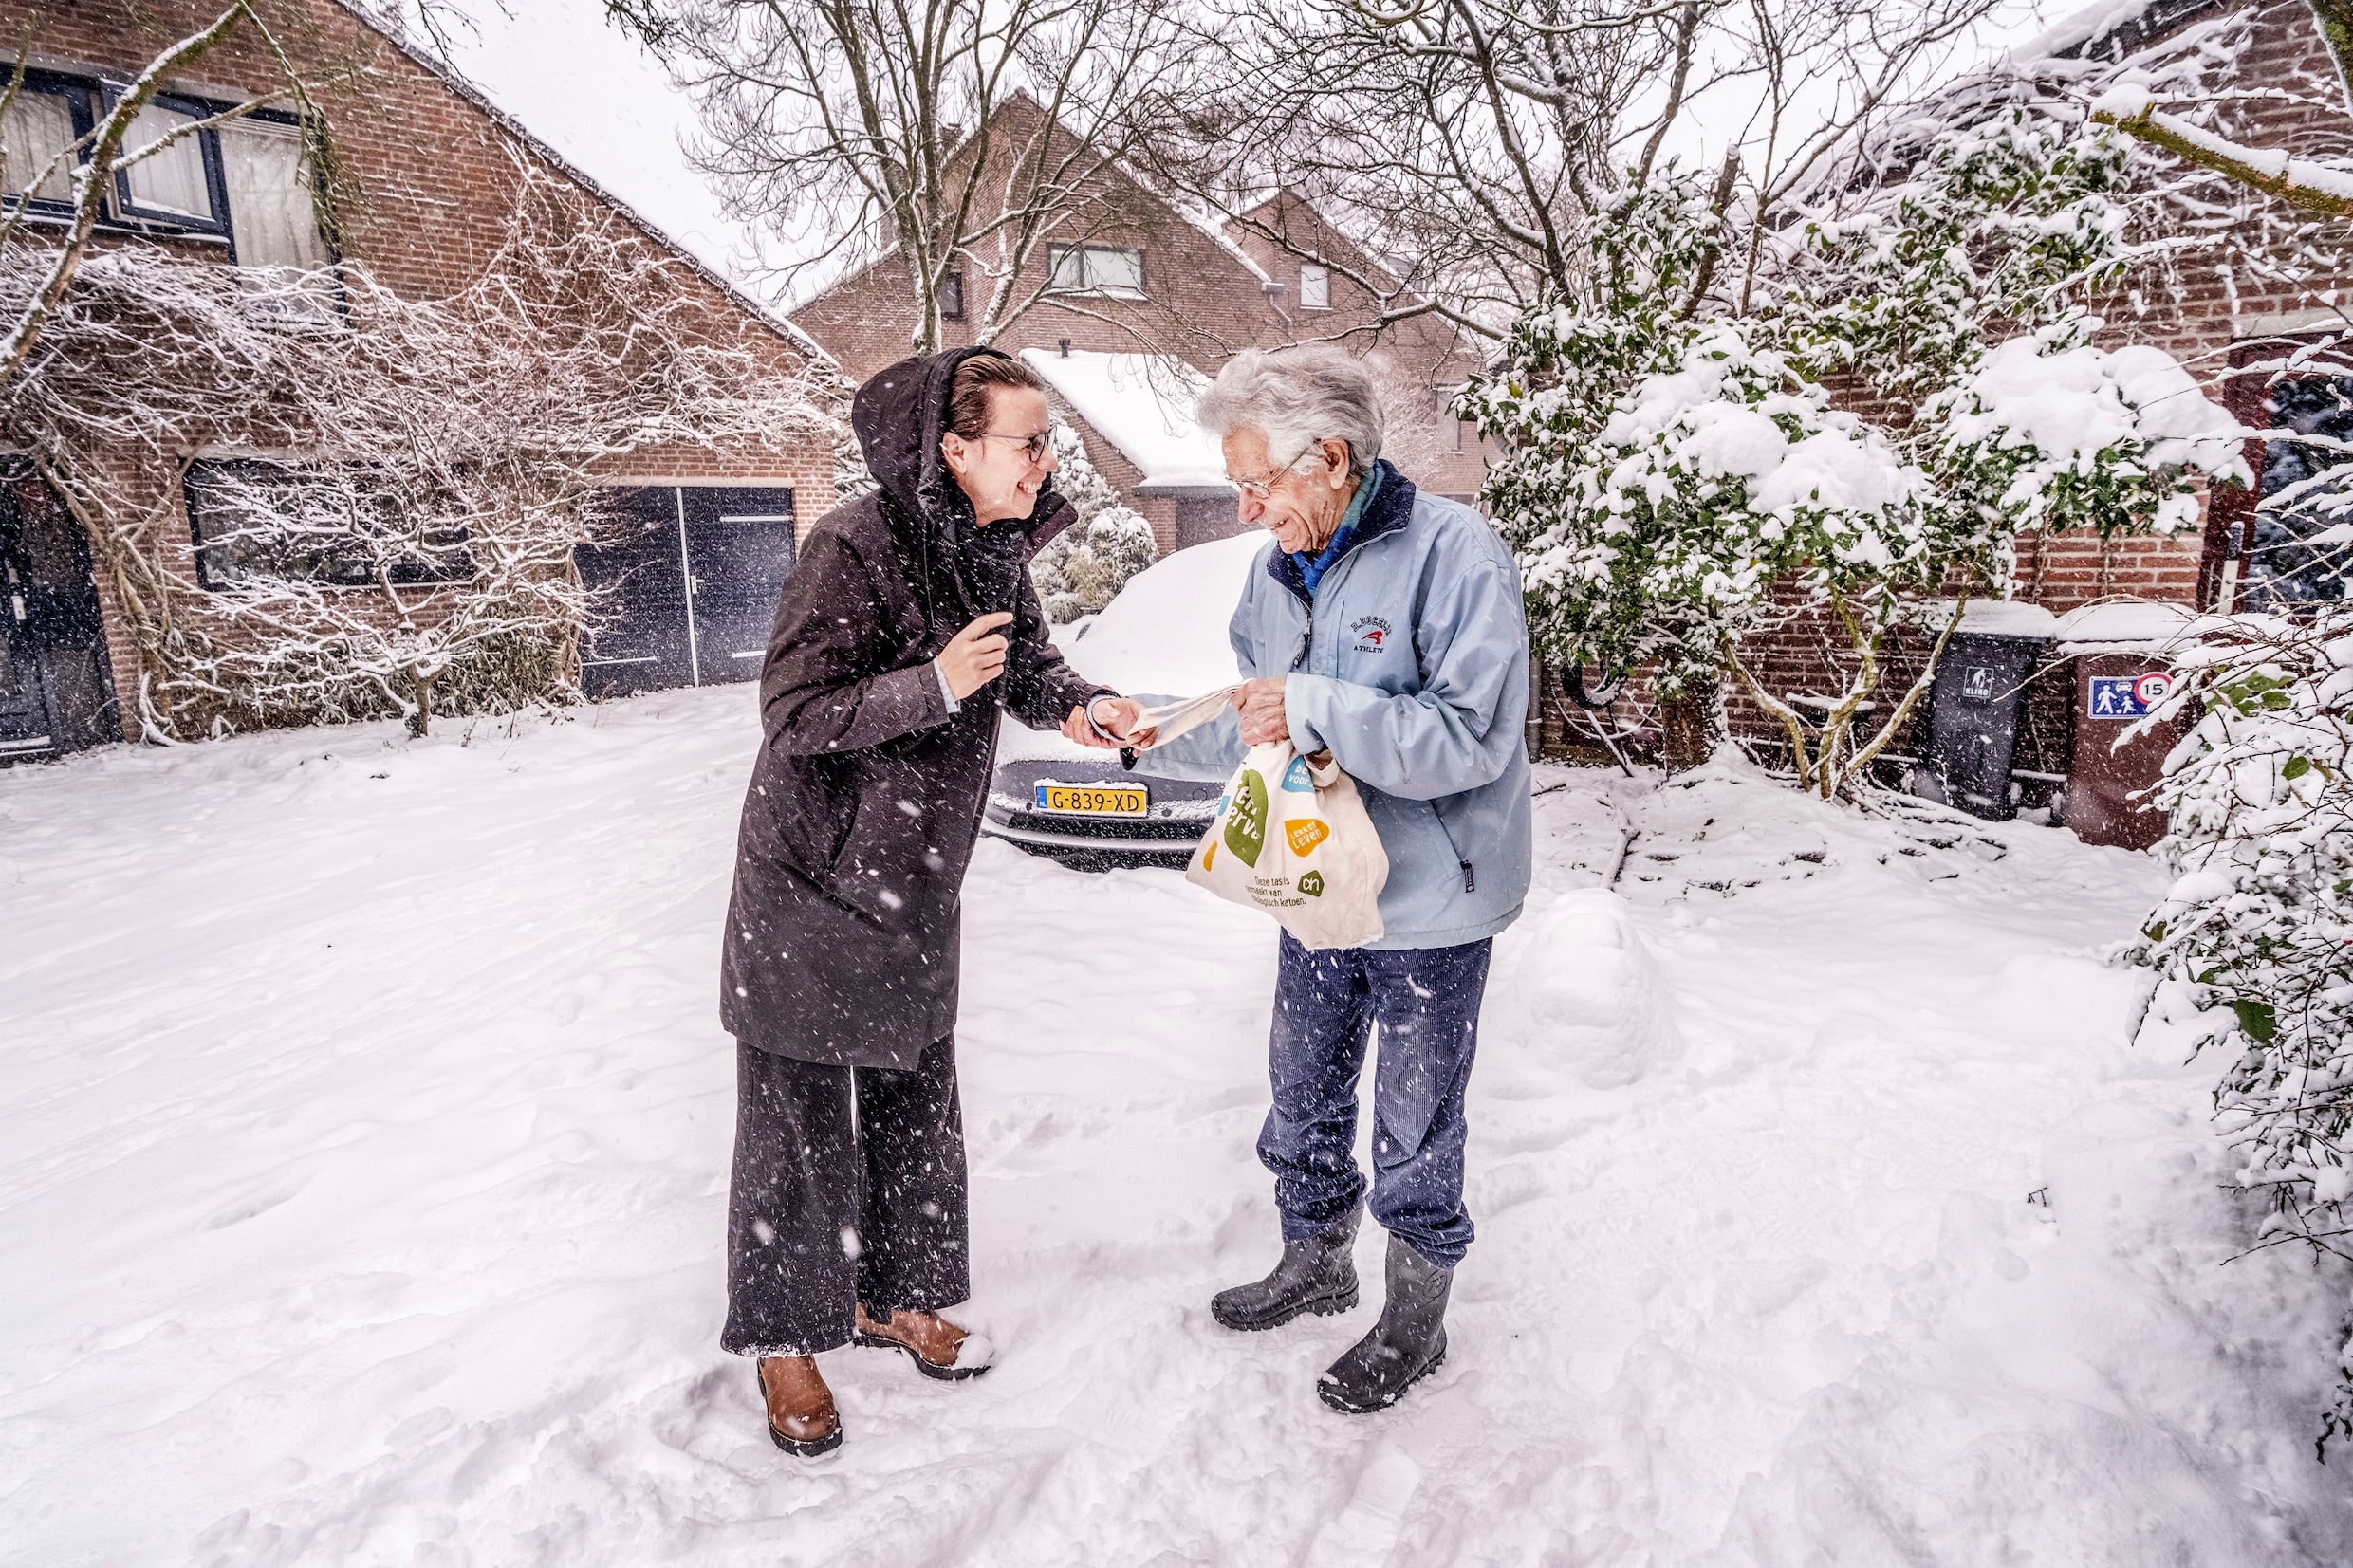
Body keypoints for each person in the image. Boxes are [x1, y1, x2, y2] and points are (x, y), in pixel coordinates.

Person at [717, 347, 1145, 1457]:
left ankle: (891, 1295)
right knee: (798, 1119)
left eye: (1046, 439)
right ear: (954, 449)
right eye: (1030, 441)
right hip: (812, 878)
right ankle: (785, 1336)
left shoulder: (992, 544)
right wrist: (933, 684)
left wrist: (1085, 705)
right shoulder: (850, 543)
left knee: (915, 1095)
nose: (1048, 460)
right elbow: (794, 709)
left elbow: (1026, 662)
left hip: (911, 876)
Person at [1129, 344, 1532, 1414]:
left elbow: (1468, 739)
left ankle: (1414, 1311)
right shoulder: (1272, 575)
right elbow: (1257, 732)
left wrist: (1310, 706)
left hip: (1430, 900)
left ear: (1334, 458)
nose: (1249, 507)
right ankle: (1315, 1261)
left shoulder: (1457, 553)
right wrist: (1145, 735)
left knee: (1414, 1115)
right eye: (1238, 486)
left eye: (1258, 482)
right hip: (1316, 888)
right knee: (1301, 1090)